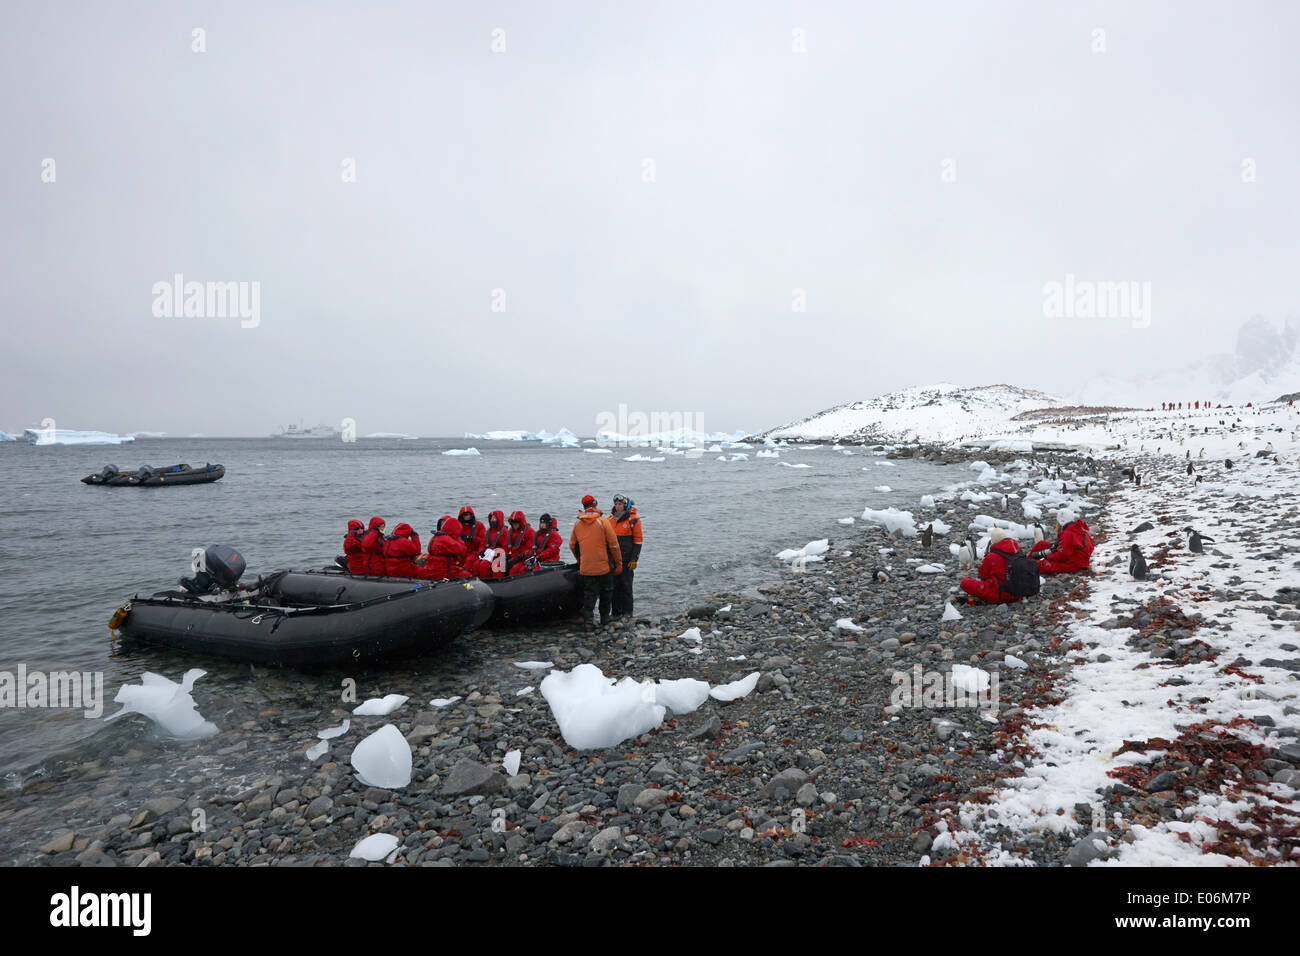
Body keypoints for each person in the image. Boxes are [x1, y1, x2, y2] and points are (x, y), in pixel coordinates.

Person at [569, 494, 622, 628]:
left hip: (586, 568)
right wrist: (618, 562)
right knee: (606, 591)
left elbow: (572, 545)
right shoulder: (603, 521)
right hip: (603, 566)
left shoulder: (578, 524)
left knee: (589, 595)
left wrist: (580, 560)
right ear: (595, 504)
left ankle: (588, 621)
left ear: (584, 507)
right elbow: (614, 544)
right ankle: (605, 618)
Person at [959, 527, 1022, 604]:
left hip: (999, 595)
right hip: (1019, 593)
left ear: (992, 541)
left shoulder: (992, 556)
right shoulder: (1018, 552)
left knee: (965, 582)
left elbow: (983, 574)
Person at [1029, 509, 1095, 574]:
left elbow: (1062, 555)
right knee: (1042, 544)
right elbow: (1090, 547)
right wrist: (1057, 546)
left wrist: (1048, 557)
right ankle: (1025, 561)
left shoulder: (1068, 533)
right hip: (1076, 561)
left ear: (1061, 522)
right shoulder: (1080, 529)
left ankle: (1024, 566)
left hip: (1072, 565)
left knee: (1037, 565)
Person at [609, 493, 643, 618]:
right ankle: (616, 612)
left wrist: (634, 559)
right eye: (616, 504)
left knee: (626, 586)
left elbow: (638, 541)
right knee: (614, 587)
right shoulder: (610, 519)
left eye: (620, 505)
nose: (618, 507)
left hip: (627, 558)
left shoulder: (633, 520)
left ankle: (628, 613)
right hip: (614, 559)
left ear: (625, 505)